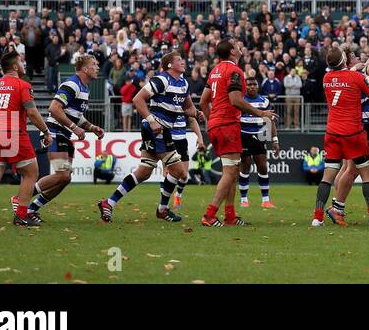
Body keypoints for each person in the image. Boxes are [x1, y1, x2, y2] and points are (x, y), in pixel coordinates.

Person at [98, 51, 205, 224]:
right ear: (170, 65)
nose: (183, 62)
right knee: (178, 171)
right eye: (179, 60)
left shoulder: (184, 83)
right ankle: (162, 209)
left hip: (161, 130)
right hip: (156, 129)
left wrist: (197, 113)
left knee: (144, 172)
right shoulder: (161, 79)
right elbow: (137, 99)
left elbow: (188, 108)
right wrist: (151, 120)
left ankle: (108, 203)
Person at [311, 39, 369, 227]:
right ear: (344, 60)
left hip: (332, 133)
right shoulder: (356, 78)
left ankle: (317, 218)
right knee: (367, 175)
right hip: (353, 132)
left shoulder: (326, 79)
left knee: (327, 176)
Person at [199, 39, 275, 227]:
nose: (240, 47)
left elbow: (203, 101)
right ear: (233, 51)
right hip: (227, 124)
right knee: (231, 171)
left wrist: (212, 121)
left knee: (231, 172)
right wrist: (261, 113)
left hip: (217, 124)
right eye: (237, 45)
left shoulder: (215, 70)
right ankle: (209, 214)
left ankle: (230, 216)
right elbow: (235, 100)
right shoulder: (234, 71)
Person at [0, 49, 52, 226]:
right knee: (31, 173)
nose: (23, 64)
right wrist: (46, 131)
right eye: (21, 61)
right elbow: (32, 112)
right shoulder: (22, 85)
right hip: (13, 133)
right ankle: (21, 215)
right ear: (14, 66)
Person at [28, 53, 105, 220]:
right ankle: (22, 199)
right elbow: (54, 108)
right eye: (94, 64)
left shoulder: (85, 88)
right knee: (62, 174)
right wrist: (75, 128)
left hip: (64, 133)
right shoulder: (72, 84)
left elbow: (76, 115)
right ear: (85, 68)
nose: (97, 67)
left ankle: (31, 209)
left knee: (65, 178)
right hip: (54, 131)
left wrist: (91, 127)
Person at [238, 73, 278, 209]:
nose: (252, 87)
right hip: (243, 135)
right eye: (249, 84)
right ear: (245, 86)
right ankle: (244, 199)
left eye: (255, 84)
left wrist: (275, 140)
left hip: (260, 135)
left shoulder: (265, 101)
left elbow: (270, 121)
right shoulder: (240, 100)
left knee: (263, 167)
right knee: (246, 166)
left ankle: (266, 200)